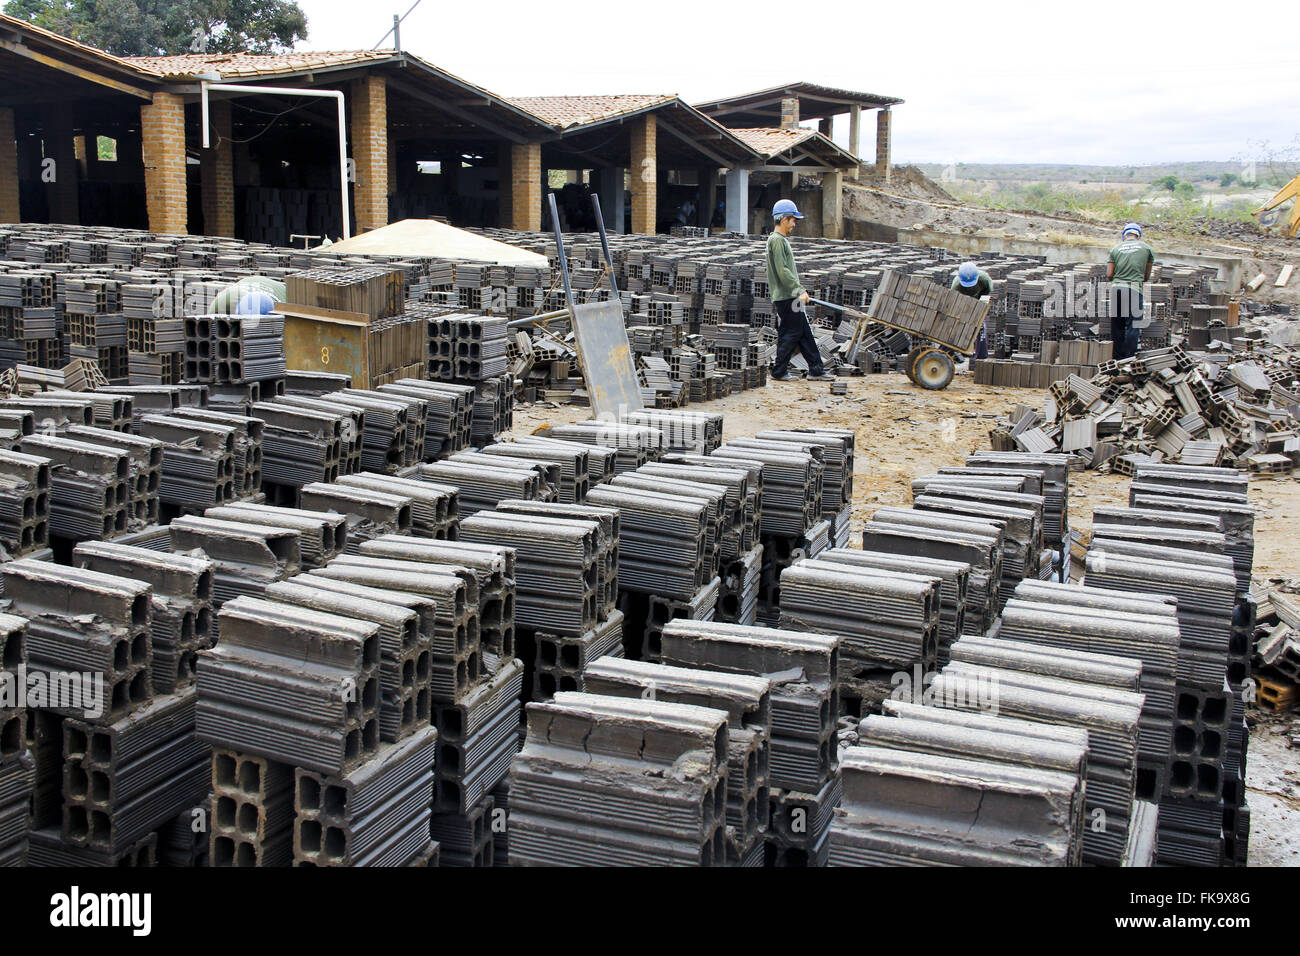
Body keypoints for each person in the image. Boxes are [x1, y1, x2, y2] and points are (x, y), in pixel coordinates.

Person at [766, 199, 834, 382]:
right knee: (791, 333)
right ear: (785, 219)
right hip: (787, 297)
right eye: (793, 220)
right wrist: (798, 290)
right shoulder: (777, 241)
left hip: (790, 297)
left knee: (803, 332)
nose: (794, 224)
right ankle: (779, 371)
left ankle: (816, 369)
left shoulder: (779, 241)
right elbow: (783, 271)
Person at [1106, 222, 1154, 360]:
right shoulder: (1147, 249)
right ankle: (1129, 359)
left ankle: (1117, 359)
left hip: (1117, 289)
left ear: (1124, 235)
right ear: (1138, 235)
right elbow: (1146, 275)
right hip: (1134, 289)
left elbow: (1109, 274)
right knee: (1133, 326)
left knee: (1117, 327)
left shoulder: (1115, 249)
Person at [951, 261, 993, 359]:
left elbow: (987, 294)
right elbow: (955, 303)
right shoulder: (956, 285)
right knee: (958, 325)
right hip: (964, 303)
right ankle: (954, 351)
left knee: (981, 327)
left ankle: (981, 357)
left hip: (979, 302)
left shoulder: (984, 279)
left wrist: (981, 307)